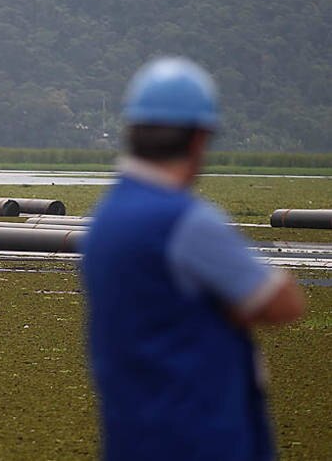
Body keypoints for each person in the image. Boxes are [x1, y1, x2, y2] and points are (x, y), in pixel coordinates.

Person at [80, 57, 305, 460]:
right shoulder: (185, 220)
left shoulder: (104, 221)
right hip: (202, 439)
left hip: (131, 437)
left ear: (132, 131)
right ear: (200, 139)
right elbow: (284, 302)